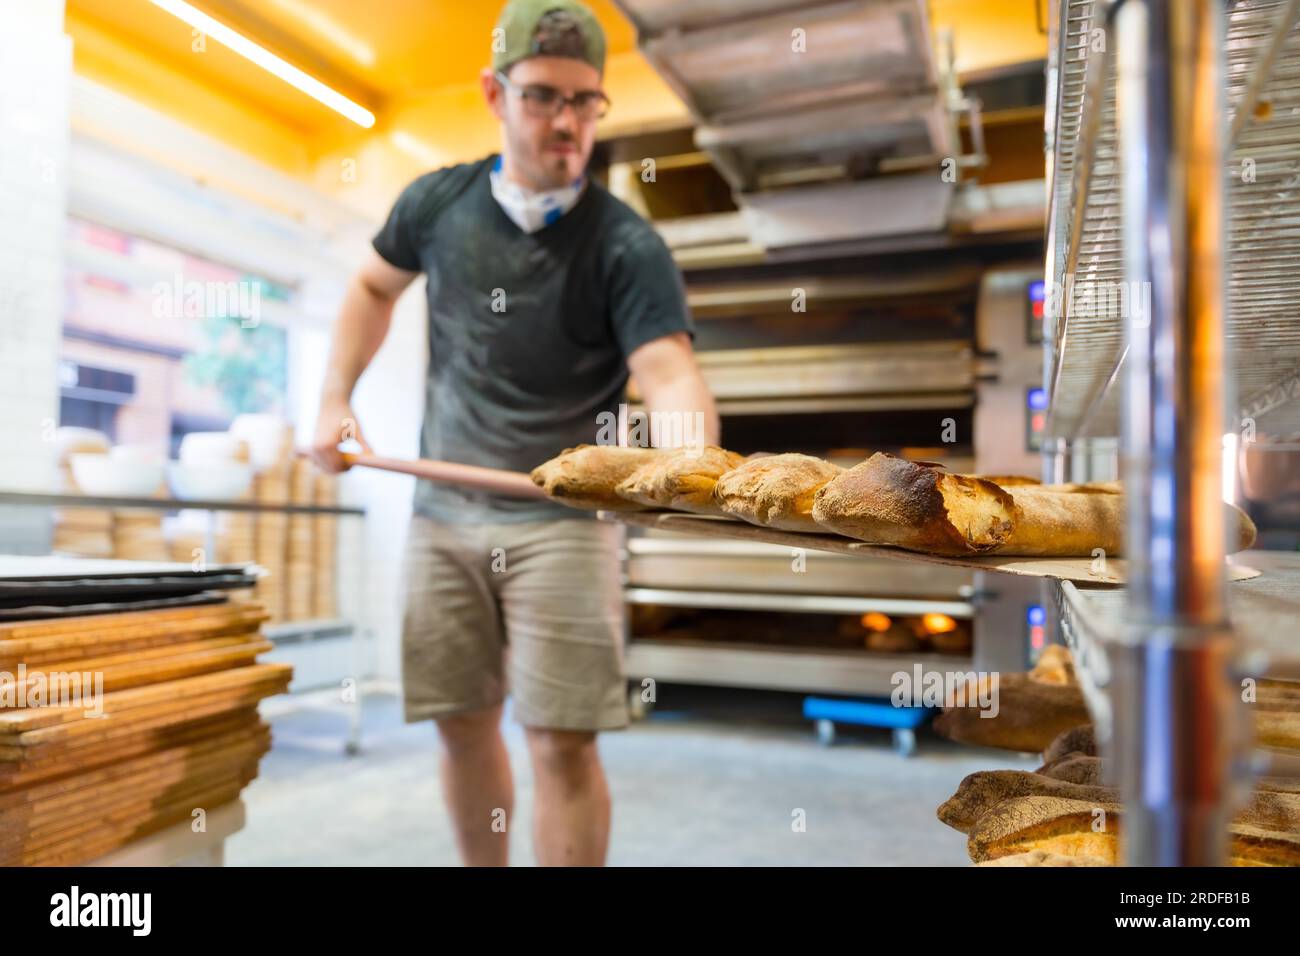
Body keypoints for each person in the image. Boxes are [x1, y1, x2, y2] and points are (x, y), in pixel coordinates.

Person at [310, 0, 719, 866]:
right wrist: (333, 399)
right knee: (462, 727)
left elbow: (668, 370)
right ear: (495, 93)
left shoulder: (625, 245)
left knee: (561, 741)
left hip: (562, 527)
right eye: (542, 97)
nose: (567, 121)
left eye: (585, 100)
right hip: (442, 514)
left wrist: (690, 464)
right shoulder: (436, 203)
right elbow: (371, 289)